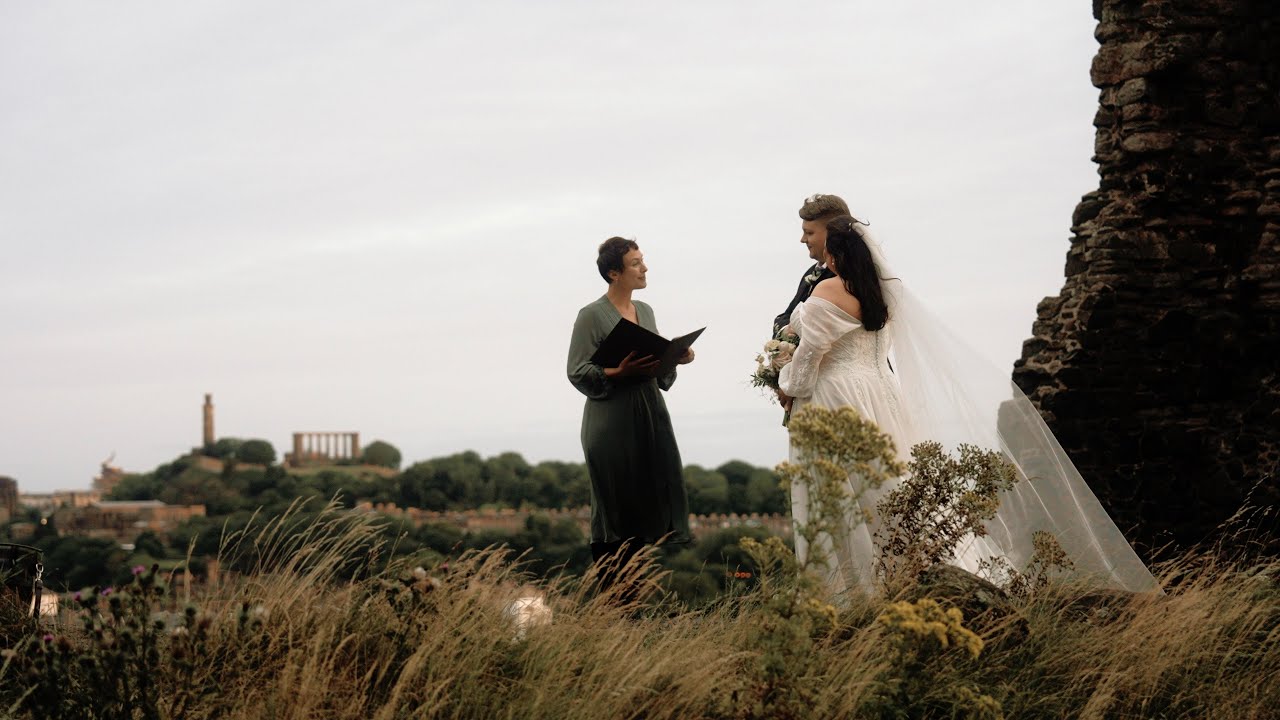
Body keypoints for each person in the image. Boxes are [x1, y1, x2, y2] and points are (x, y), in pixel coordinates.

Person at [779, 215, 1158, 596]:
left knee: (840, 493)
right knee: (891, 486)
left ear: (836, 252)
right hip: (880, 394)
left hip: (835, 399)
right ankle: (925, 574)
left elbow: (807, 366)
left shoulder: (827, 292)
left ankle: (848, 592)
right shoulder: (881, 294)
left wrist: (781, 376)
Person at [567, 237, 695, 580]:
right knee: (613, 506)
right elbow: (576, 371)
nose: (644, 268)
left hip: (648, 414)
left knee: (644, 504)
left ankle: (632, 603)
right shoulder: (591, 315)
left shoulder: (647, 311)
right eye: (635, 263)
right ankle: (611, 596)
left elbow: (656, 368)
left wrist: (675, 358)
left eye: (643, 260)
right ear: (614, 273)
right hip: (610, 419)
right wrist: (618, 372)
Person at [774, 193, 850, 415]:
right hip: (812, 388)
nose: (802, 239)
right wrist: (780, 353)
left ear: (834, 234)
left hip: (837, 393)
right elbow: (785, 317)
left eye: (809, 233)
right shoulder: (812, 273)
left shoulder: (846, 282)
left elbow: (818, 343)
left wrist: (791, 384)